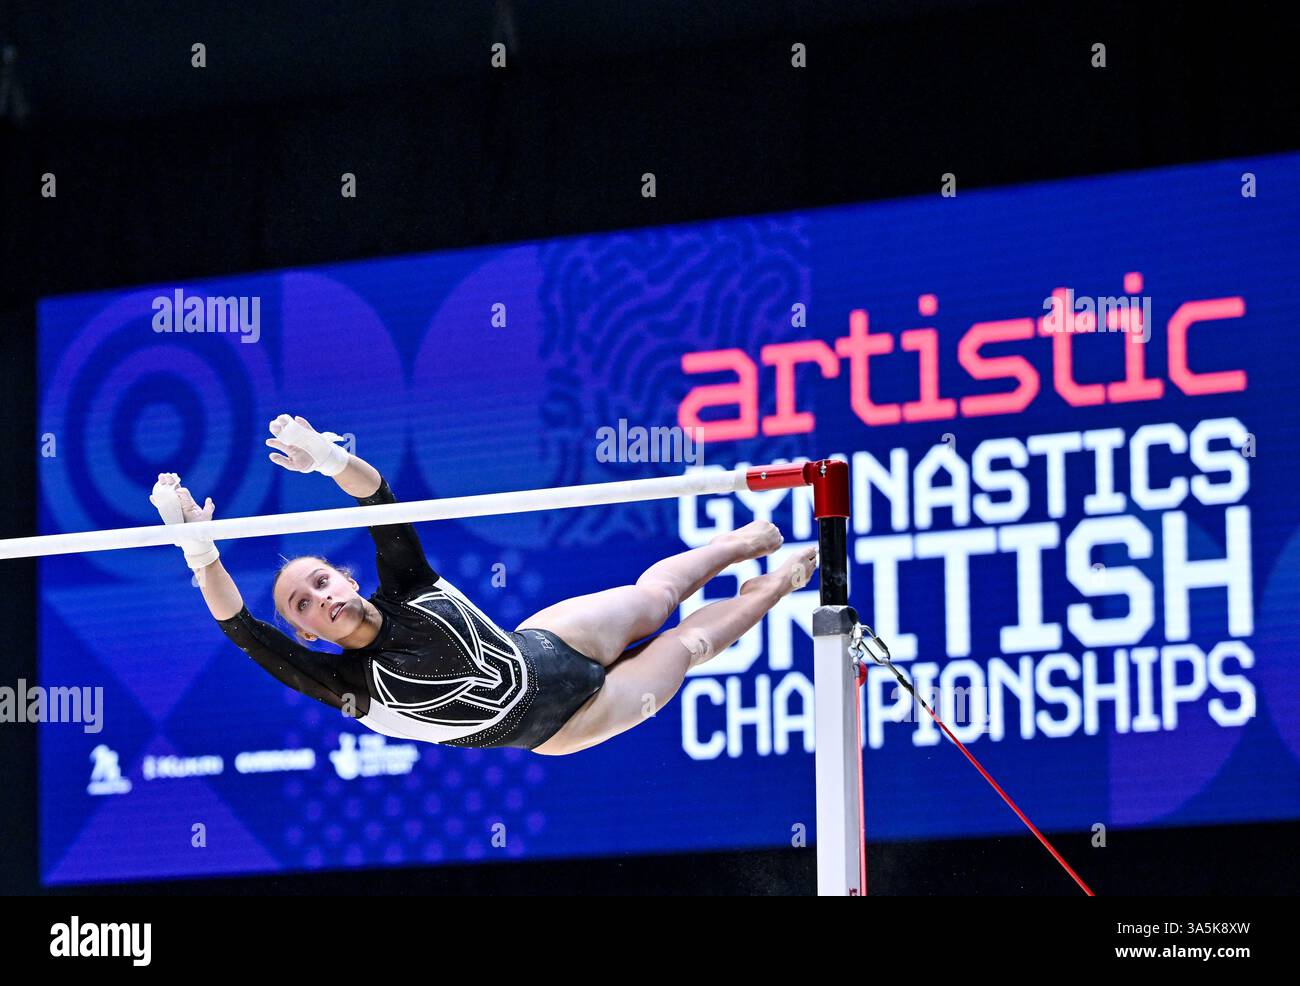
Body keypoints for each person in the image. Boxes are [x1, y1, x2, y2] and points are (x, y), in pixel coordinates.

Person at [150, 414, 818, 754]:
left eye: (321, 580)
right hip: (568, 722)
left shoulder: (406, 584)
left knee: (654, 599)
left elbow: (378, 497)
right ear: (308, 632)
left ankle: (730, 546)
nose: (321, 597)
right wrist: (199, 550)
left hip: (546, 644)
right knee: (690, 646)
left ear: (345, 576)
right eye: (305, 604)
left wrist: (328, 458)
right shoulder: (345, 684)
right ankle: (776, 586)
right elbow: (242, 630)